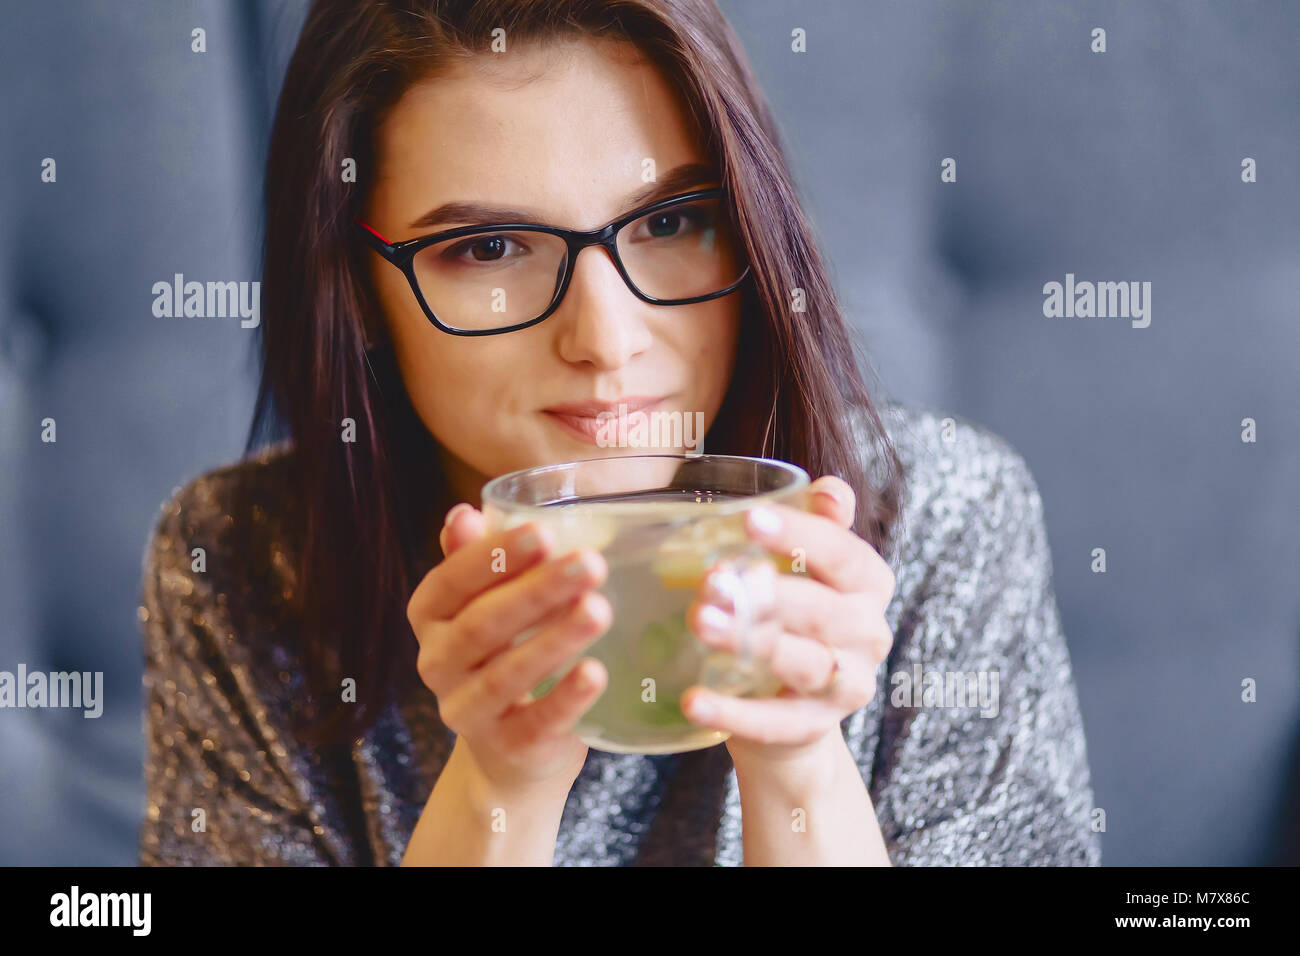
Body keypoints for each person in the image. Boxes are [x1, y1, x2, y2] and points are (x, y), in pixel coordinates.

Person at [138, 0, 1100, 866]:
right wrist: (498, 785)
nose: (606, 340)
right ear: (353, 290)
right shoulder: (249, 564)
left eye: (673, 220)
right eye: (488, 248)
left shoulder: (940, 515)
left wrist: (800, 766)